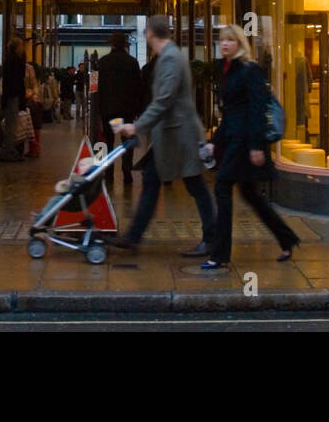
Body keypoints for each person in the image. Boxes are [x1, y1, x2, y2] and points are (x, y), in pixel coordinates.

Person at [114, 16, 216, 257]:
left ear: (150, 33)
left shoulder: (170, 58)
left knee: (196, 186)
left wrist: (137, 127)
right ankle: (133, 237)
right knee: (152, 183)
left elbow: (164, 100)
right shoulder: (169, 56)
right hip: (172, 136)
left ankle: (212, 238)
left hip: (181, 136)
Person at [202, 26, 300, 268]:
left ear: (239, 44)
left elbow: (257, 109)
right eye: (222, 41)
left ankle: (220, 254)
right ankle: (287, 238)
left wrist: (257, 146)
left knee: (223, 186)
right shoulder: (227, 70)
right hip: (234, 138)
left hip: (246, 142)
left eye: (230, 41)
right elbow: (229, 112)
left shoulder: (250, 70)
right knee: (250, 194)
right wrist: (215, 143)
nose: (224, 45)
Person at [96, 31, 142, 187]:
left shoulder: (103, 62)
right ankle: (126, 170)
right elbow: (138, 87)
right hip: (127, 109)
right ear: (125, 44)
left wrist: (98, 110)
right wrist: (137, 109)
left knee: (108, 141)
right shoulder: (132, 62)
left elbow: (98, 88)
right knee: (127, 141)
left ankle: (108, 173)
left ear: (112, 44)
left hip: (108, 109)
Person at [0, 37, 27, 162]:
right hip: (12, 96)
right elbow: (16, 79)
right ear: (17, 47)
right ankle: (7, 151)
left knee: (12, 123)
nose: (23, 48)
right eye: (21, 46)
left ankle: (9, 150)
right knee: (11, 124)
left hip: (11, 95)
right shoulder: (14, 61)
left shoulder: (10, 60)